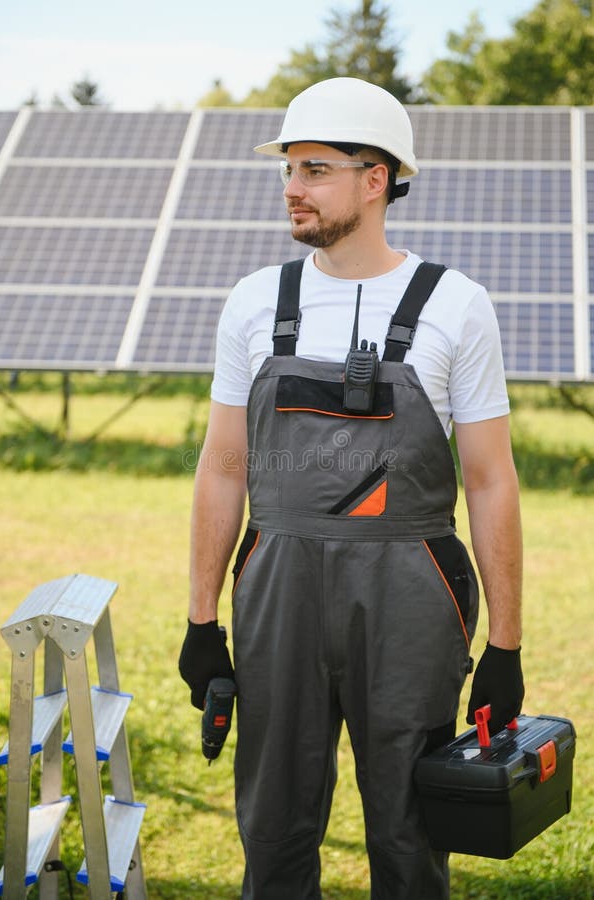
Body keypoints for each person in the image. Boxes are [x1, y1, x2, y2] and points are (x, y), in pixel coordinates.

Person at [179, 76, 524, 899]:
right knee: (273, 821)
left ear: (377, 179)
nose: (292, 188)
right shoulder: (255, 301)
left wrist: (505, 644)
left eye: (315, 169)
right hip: (277, 586)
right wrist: (200, 618)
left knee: (409, 825)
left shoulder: (456, 305)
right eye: (289, 169)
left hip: (411, 589)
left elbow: (489, 478)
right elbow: (223, 462)